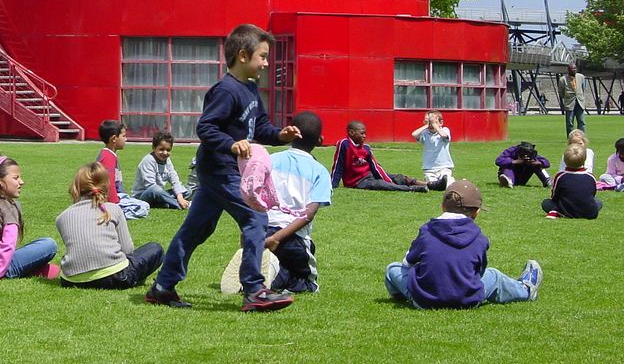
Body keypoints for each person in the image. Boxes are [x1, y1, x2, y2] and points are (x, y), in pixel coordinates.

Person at [145, 23, 301, 313]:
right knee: (256, 217)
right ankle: (254, 289)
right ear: (243, 56)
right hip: (220, 170)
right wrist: (231, 144)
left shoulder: (251, 90)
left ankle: (163, 287)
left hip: (226, 171)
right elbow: (206, 127)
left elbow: (260, 128)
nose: (266, 64)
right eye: (263, 57)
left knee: (195, 230)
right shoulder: (226, 90)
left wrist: (281, 135)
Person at [384, 180, 542, 309]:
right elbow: (479, 272)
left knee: (393, 269)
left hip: (423, 301)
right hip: (468, 299)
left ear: (442, 206)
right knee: (493, 276)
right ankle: (525, 290)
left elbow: (407, 262)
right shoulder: (479, 237)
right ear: (476, 212)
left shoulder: (427, 230)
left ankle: (403, 295)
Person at [57, 162, 164, 289]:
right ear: (106, 185)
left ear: (76, 187)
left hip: (71, 280)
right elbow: (127, 250)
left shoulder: (62, 217)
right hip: (115, 277)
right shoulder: (113, 209)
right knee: (155, 248)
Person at [263, 110, 332, 294]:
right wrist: (276, 239)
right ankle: (276, 278)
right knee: (309, 284)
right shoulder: (319, 171)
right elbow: (308, 214)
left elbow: (253, 198)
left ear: (291, 134)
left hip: (262, 232)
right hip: (293, 239)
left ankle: (263, 273)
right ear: (320, 140)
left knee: (277, 265)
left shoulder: (270, 160)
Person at [331, 121, 443, 192]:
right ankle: (413, 189)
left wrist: (388, 178)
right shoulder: (344, 144)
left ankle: (431, 184)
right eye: (361, 133)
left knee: (398, 177)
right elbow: (338, 165)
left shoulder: (366, 148)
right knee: (382, 185)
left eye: (365, 133)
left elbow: (375, 167)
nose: (364, 136)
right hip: (358, 182)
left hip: (369, 174)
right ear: (351, 132)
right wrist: (332, 184)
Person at [96, 120, 150, 220]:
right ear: (114, 139)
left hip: (115, 197)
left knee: (142, 204)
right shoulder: (108, 157)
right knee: (144, 207)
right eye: (124, 136)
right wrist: (114, 203)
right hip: (109, 201)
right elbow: (109, 183)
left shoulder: (109, 155)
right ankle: (117, 215)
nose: (126, 139)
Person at [132, 130, 189, 210]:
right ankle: (178, 204)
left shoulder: (167, 160)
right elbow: (151, 186)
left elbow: (174, 179)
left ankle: (164, 202)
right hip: (143, 195)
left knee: (186, 190)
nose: (165, 153)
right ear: (154, 148)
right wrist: (179, 200)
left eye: (168, 150)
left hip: (159, 193)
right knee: (156, 189)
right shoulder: (148, 160)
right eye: (161, 149)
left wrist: (180, 197)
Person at [542, 143, 602, 219]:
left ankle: (558, 212)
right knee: (598, 202)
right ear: (584, 160)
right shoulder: (591, 176)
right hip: (590, 213)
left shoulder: (560, 176)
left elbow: (555, 195)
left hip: (565, 209)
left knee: (546, 203)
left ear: (565, 160)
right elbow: (592, 195)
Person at [411, 111, 454, 189]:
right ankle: (438, 183)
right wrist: (426, 125)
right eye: (428, 122)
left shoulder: (444, 130)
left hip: (444, 166)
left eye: (433, 122)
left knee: (447, 181)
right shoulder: (425, 133)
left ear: (441, 122)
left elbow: (444, 136)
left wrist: (435, 125)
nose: (431, 125)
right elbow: (414, 134)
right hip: (429, 168)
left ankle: (449, 182)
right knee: (432, 183)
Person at [558, 63, 587, 136]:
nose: (574, 71)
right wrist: (567, 96)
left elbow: (583, 88)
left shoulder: (581, 77)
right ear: (568, 70)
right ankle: (570, 138)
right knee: (570, 123)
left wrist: (580, 96)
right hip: (569, 103)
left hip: (579, 102)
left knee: (581, 122)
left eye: (575, 69)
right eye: (572, 70)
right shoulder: (563, 79)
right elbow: (561, 92)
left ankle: (581, 137)